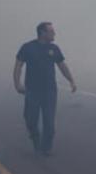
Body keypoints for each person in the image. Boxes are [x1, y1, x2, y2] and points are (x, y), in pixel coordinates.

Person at [13, 22, 77, 156]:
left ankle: (45, 148)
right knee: (31, 119)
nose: (54, 34)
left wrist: (71, 80)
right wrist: (17, 84)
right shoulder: (28, 47)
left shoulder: (54, 49)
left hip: (49, 91)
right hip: (32, 90)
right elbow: (18, 65)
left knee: (49, 124)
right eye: (51, 31)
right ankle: (35, 139)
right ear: (42, 33)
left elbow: (62, 65)